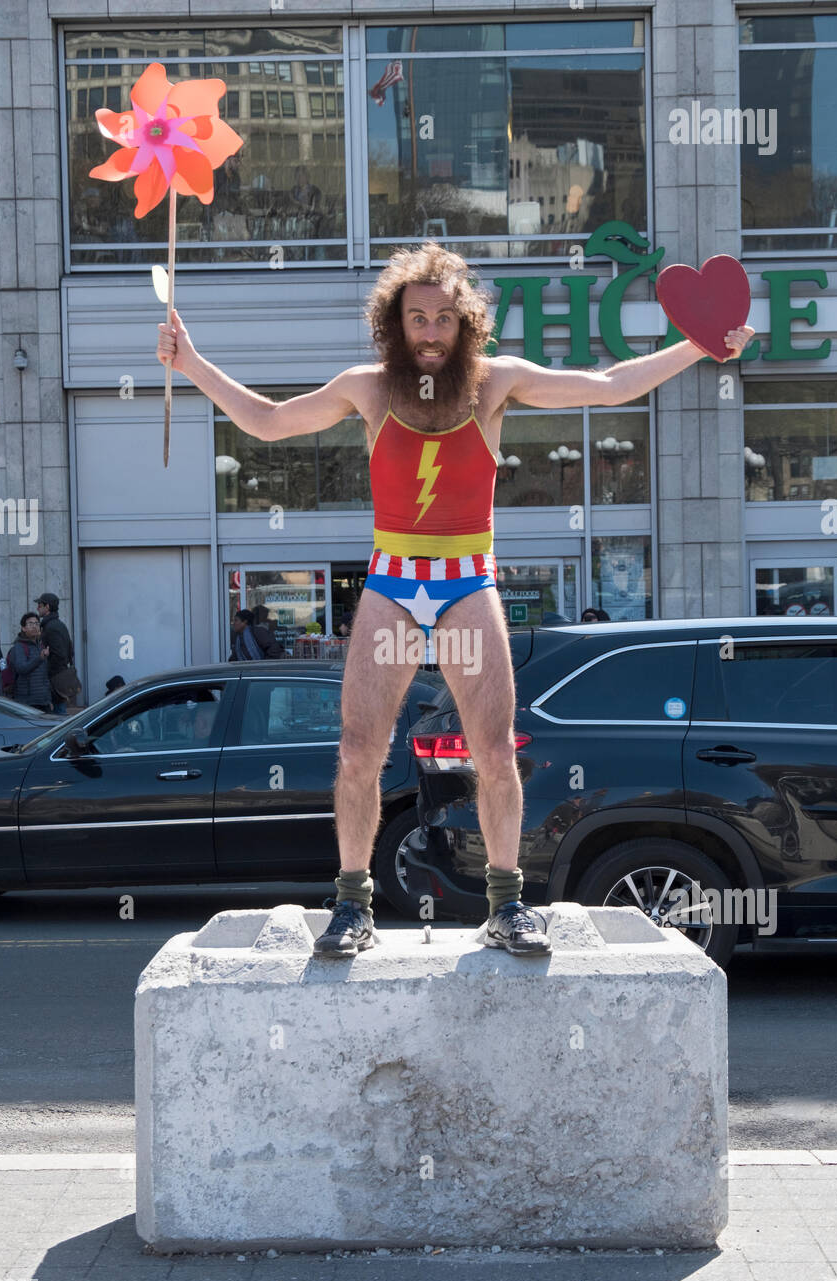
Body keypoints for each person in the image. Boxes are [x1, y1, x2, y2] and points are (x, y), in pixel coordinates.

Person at [157, 241, 754, 958]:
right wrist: (189, 364)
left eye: (444, 317)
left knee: (496, 752)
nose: (432, 332)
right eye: (418, 319)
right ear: (395, 324)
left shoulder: (495, 382)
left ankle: (507, 906)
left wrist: (698, 346)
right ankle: (352, 905)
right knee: (357, 752)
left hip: (468, 579)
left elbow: (610, 384)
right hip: (391, 583)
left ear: (465, 322)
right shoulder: (368, 388)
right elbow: (268, 421)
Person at [35, 592, 74, 715]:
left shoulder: (51, 627)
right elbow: (70, 651)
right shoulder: (58, 625)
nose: (37, 608)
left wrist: (48, 677)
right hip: (59, 678)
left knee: (58, 717)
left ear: (47, 607)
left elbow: (60, 656)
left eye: (40, 605)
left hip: (55, 681)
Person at [8, 613, 52, 711]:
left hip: (43, 701)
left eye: (36, 623)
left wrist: (49, 699)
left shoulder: (41, 646)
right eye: (30, 624)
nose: (34, 626)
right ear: (23, 628)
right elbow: (21, 669)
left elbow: (45, 676)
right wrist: (39, 658)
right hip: (27, 702)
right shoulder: (19, 647)